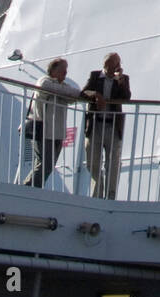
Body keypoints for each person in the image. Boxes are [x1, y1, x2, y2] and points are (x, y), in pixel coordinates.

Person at [23, 58, 81, 189]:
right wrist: (67, 92)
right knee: (46, 163)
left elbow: (75, 95)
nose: (65, 73)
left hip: (57, 132)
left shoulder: (63, 87)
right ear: (53, 70)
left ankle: (33, 187)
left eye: (66, 70)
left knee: (47, 165)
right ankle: (28, 187)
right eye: (62, 70)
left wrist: (69, 92)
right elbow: (46, 88)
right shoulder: (44, 81)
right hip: (43, 129)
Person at [82, 54, 131, 200]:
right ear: (105, 64)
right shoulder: (95, 76)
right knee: (93, 161)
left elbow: (126, 97)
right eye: (109, 65)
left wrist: (121, 81)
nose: (111, 68)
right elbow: (83, 92)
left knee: (113, 163)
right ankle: (98, 192)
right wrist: (96, 94)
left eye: (114, 65)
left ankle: (110, 195)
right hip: (95, 124)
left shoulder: (123, 79)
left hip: (113, 125)